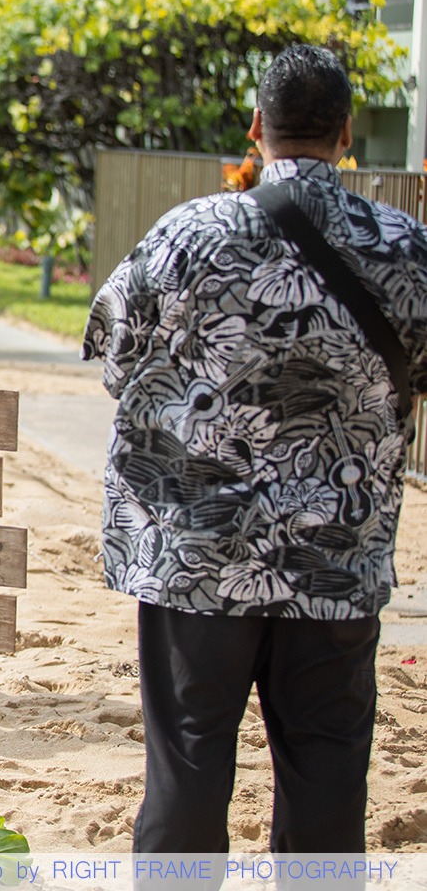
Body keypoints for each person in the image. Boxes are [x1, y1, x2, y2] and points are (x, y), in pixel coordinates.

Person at [83, 44, 427, 860]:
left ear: (254, 128)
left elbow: (117, 358)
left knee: (188, 762)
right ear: (347, 134)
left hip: (196, 553)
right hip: (338, 554)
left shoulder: (189, 233)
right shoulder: (407, 245)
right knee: (329, 766)